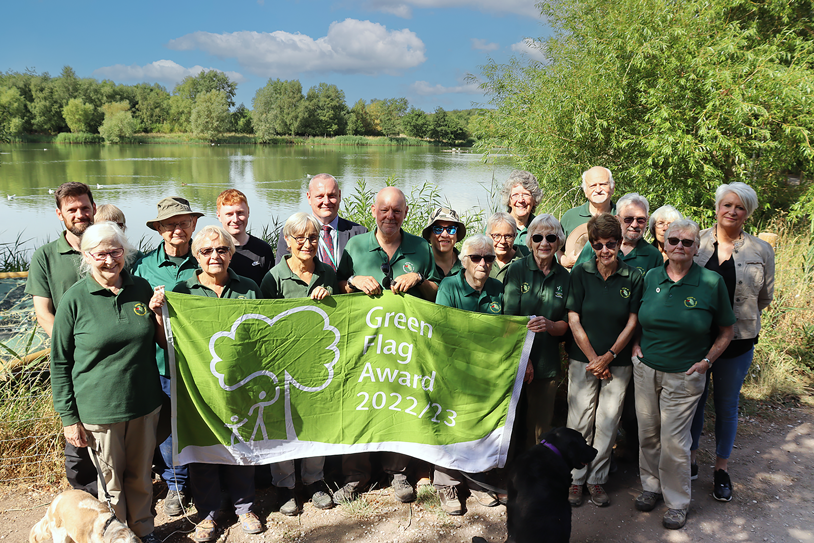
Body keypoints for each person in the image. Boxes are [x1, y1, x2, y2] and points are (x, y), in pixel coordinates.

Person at [50, 222, 164, 543]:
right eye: (100, 254)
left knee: (141, 478)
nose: (110, 260)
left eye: (116, 251)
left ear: (125, 252)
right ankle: (116, 537)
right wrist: (69, 418)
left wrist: (157, 315)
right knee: (111, 485)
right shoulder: (74, 300)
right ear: (86, 256)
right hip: (99, 412)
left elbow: (162, 342)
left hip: (144, 405)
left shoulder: (141, 288)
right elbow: (59, 362)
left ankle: (144, 531)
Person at [334, 186, 442, 504]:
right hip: (363, 347)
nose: (390, 216)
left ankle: (398, 472)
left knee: (398, 403)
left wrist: (420, 279)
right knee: (358, 407)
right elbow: (337, 288)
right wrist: (351, 282)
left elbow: (439, 294)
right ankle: (355, 476)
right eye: (384, 209)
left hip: (405, 347)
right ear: (373, 211)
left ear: (406, 213)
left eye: (396, 210)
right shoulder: (355, 246)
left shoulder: (421, 247)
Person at [632, 219, 735, 530]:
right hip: (647, 369)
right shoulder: (650, 277)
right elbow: (637, 318)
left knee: (675, 440)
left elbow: (727, 330)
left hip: (686, 374)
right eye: (673, 240)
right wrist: (635, 346)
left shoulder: (711, 282)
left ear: (696, 248)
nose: (679, 246)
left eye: (687, 242)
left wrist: (706, 361)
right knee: (648, 433)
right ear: (663, 244)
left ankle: (677, 502)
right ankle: (650, 487)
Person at [168, 225, 264, 541]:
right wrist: (158, 313)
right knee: (203, 449)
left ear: (231, 254)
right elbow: (167, 339)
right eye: (207, 251)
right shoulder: (182, 292)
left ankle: (244, 507)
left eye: (222, 250)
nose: (215, 256)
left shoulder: (249, 287)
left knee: (242, 445)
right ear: (197, 256)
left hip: (242, 384)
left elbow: (263, 336)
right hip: (200, 385)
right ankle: (207, 512)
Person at [690, 182, 775, 501]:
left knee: (727, 406)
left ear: (747, 213)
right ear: (717, 207)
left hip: (738, 341)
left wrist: (737, 317)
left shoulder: (761, 250)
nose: (732, 211)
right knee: (694, 402)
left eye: (739, 207)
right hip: (696, 339)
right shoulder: (696, 240)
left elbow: (763, 297)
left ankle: (721, 470)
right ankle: (692, 460)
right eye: (727, 204)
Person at [261, 213, 337, 514]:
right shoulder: (274, 278)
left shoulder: (328, 273)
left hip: (317, 361)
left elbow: (342, 311)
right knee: (282, 423)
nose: (307, 244)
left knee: (316, 421)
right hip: (283, 362)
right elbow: (266, 323)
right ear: (288, 241)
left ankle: (314, 480)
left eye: (313, 238)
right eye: (300, 238)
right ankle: (284, 485)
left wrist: (329, 295)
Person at [25, 181, 98, 496]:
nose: (80, 214)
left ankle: (120, 493)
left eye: (84, 207)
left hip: (112, 358)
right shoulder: (45, 256)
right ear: (59, 214)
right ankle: (84, 496)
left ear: (94, 208)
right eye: (72, 210)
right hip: (71, 358)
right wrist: (73, 346)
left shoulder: (110, 246)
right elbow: (43, 312)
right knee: (77, 432)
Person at [131, 196, 203, 516]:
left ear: (194, 225)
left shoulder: (206, 262)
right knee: (166, 427)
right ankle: (176, 486)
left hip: (200, 363)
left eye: (183, 223)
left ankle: (204, 479)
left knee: (200, 422)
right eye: (170, 224)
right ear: (159, 228)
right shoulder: (142, 267)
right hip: (159, 363)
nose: (177, 229)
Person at [565, 214, 642, 508]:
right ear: (592, 245)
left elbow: (633, 321)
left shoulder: (633, 277)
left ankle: (596, 480)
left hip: (618, 363)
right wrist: (594, 358)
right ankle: (575, 479)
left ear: (620, 242)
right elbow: (573, 318)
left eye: (611, 244)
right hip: (582, 360)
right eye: (598, 245)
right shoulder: (581, 273)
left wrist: (609, 356)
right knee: (580, 421)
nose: (605, 250)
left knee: (607, 423)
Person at [432, 234, 504, 515]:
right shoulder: (449, 287)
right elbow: (442, 329)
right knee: (449, 424)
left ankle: (477, 480)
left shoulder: (498, 288)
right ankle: (447, 483)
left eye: (488, 258)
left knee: (480, 424)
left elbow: (507, 329)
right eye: (476, 257)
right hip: (453, 369)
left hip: (485, 372)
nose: (483, 263)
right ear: (464, 261)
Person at [503, 214, 570, 448]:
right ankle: (506, 472)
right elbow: (509, 320)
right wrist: (525, 359)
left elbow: (566, 323)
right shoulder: (517, 270)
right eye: (538, 237)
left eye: (551, 237)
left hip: (547, 363)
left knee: (541, 425)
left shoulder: (565, 277)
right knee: (511, 420)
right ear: (530, 240)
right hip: (517, 359)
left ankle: (536, 474)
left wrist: (550, 325)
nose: (544, 243)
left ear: (559, 242)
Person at [276, 173, 367, 267]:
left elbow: (365, 271)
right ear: (309, 197)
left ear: (339, 196)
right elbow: (282, 275)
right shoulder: (291, 234)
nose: (326, 202)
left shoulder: (360, 233)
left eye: (331, 195)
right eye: (320, 196)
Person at [573, 193, 663, 275]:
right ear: (618, 219)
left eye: (640, 220)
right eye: (628, 219)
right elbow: (575, 279)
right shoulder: (597, 244)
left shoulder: (653, 256)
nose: (635, 225)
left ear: (647, 220)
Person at [559, 166, 616, 268]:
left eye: (603, 184)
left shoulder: (624, 217)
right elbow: (555, 248)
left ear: (612, 187)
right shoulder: (570, 217)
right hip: (579, 281)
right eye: (593, 185)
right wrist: (564, 261)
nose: (598, 189)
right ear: (585, 191)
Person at [216, 189, 274, 285]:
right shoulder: (211, 251)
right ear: (218, 216)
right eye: (229, 214)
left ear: (248, 212)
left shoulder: (263, 249)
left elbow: (271, 289)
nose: (235, 219)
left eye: (240, 213)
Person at [500, 170, 542, 248]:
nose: (520, 200)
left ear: (534, 200)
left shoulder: (542, 228)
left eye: (526, 194)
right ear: (509, 201)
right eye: (515, 195)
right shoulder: (496, 226)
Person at [422, 207, 466, 278]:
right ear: (429, 235)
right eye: (438, 229)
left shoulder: (466, 264)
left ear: (456, 235)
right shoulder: (419, 261)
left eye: (451, 229)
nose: (444, 235)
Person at [485, 212, 523, 280]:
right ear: (487, 235)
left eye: (508, 236)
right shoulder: (480, 261)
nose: (503, 241)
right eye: (496, 235)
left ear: (515, 236)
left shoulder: (523, 265)